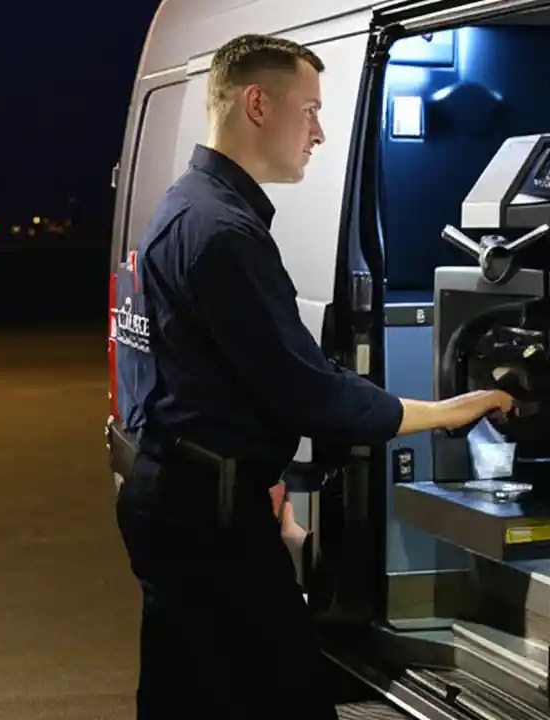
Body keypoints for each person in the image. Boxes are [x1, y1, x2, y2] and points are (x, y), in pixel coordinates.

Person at [112, 33, 513, 720]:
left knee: (187, 691)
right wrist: (450, 412)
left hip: (186, 493)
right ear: (258, 104)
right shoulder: (222, 233)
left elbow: (201, 379)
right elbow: (311, 395)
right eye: (311, 111)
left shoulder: (190, 205)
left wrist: (262, 478)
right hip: (206, 518)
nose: (322, 133)